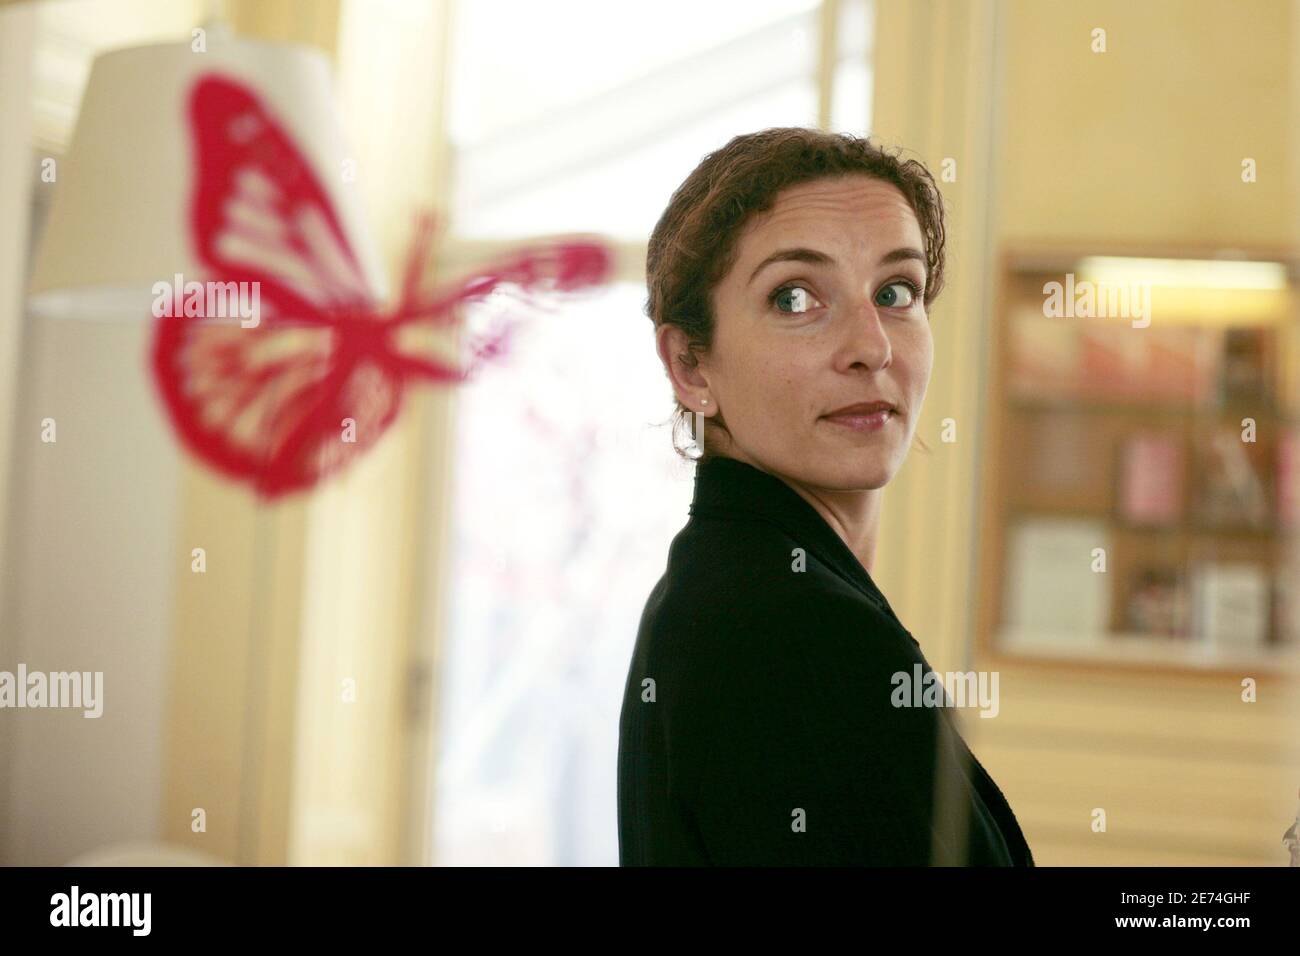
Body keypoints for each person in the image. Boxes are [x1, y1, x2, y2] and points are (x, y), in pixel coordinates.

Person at [617, 127, 1034, 866]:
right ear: (690, 364)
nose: (871, 345)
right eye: (796, 297)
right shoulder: (788, 624)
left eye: (895, 292)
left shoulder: (724, 583)